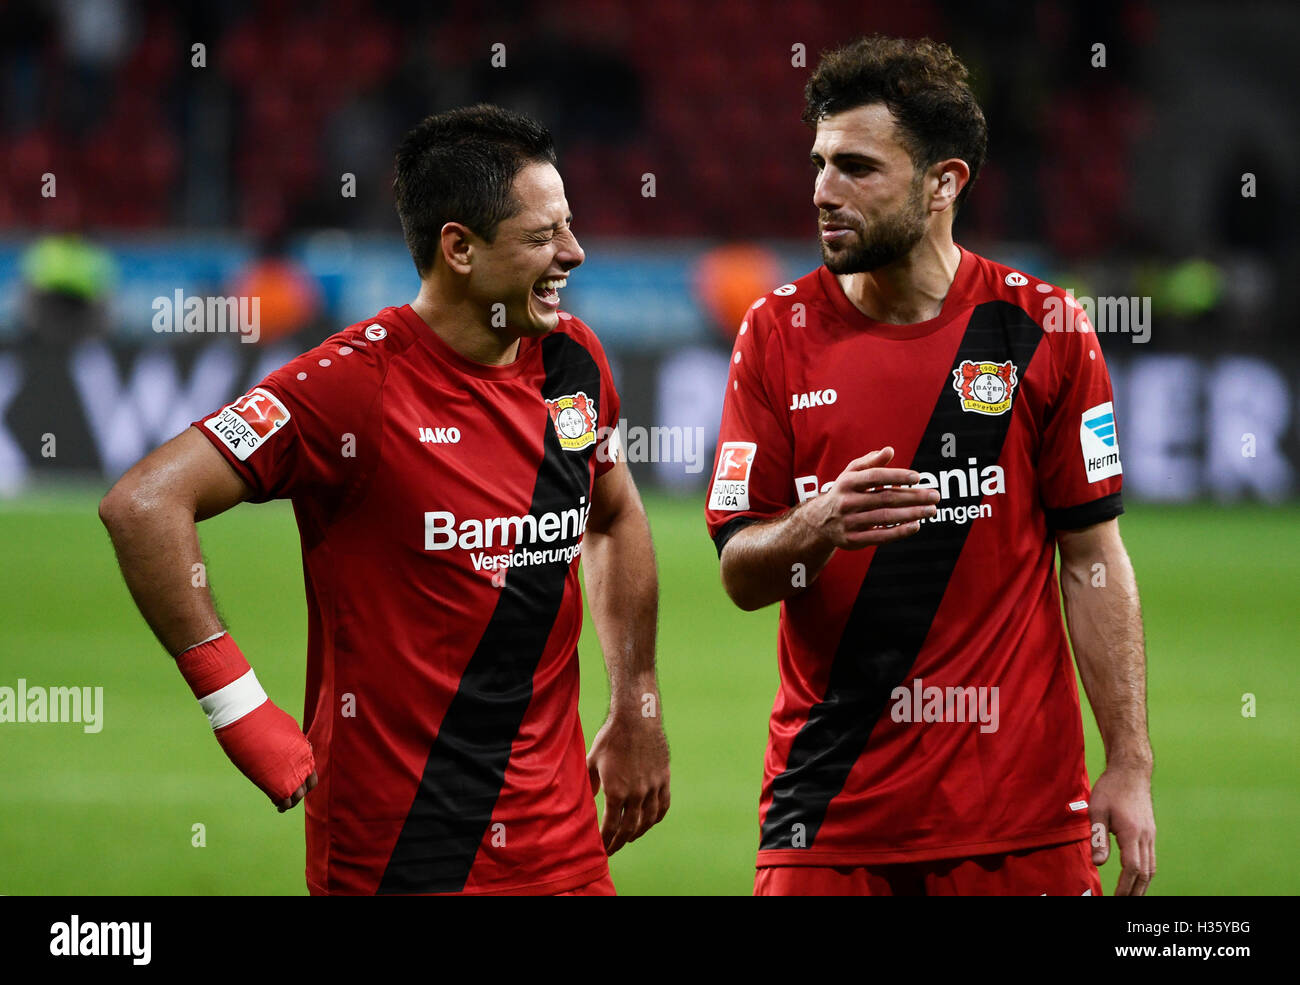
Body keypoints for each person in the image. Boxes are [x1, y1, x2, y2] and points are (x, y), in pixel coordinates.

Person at [100, 104, 669, 896]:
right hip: (399, 855)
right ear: (459, 248)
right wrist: (237, 705)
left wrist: (636, 699)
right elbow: (143, 503)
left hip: (563, 848)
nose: (572, 252)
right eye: (542, 236)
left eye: (567, 226)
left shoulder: (573, 358)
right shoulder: (350, 388)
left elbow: (611, 517)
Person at [704, 36, 1154, 896]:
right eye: (819, 163)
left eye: (857, 168)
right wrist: (816, 525)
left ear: (944, 182)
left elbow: (1093, 557)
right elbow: (740, 573)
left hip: (1023, 818)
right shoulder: (774, 333)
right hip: (827, 815)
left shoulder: (1044, 327)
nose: (823, 192)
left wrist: (1128, 762)